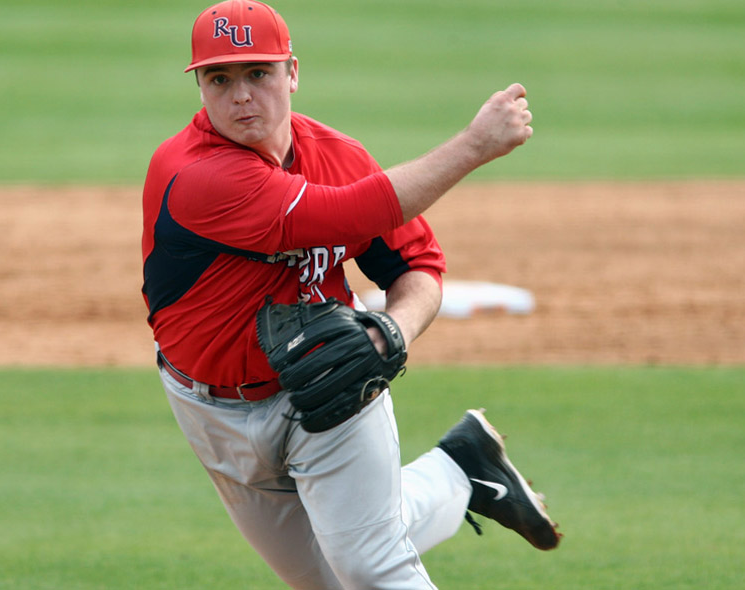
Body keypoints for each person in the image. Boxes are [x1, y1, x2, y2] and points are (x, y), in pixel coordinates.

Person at [141, 1, 560, 587]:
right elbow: (352, 211)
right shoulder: (195, 174)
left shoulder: (339, 157)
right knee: (329, 578)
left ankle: (459, 473)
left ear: (292, 73)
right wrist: (474, 145)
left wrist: (395, 329)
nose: (240, 96)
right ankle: (460, 472)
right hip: (211, 411)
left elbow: (419, 266)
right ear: (201, 88)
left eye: (258, 73)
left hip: (327, 383)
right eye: (220, 79)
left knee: (371, 567)